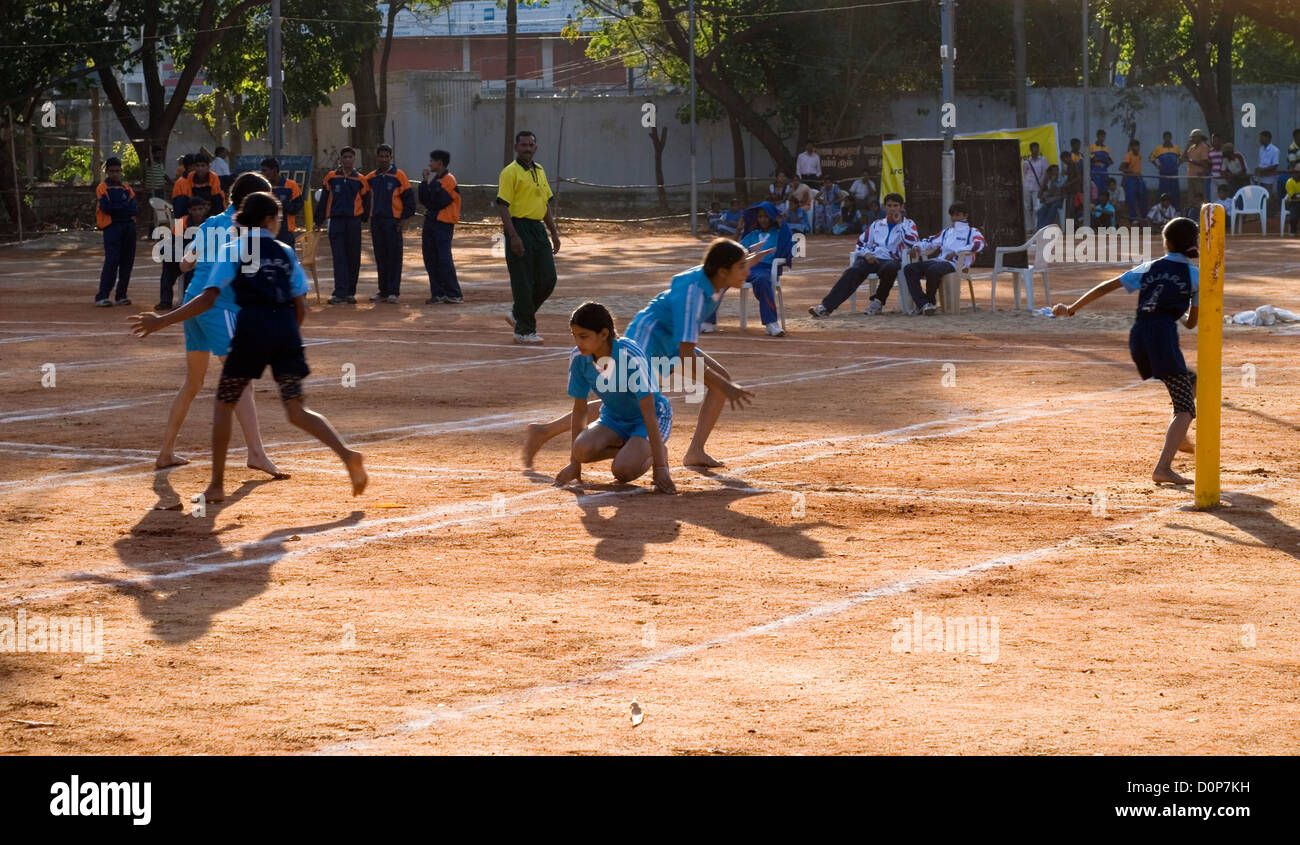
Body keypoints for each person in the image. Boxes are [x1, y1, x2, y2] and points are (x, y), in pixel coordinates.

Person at [132, 192, 367, 502]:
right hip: (285, 335)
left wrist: (161, 322)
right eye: (279, 219)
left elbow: (206, 298)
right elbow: (300, 305)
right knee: (297, 410)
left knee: (224, 404)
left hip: (251, 334)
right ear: (268, 221)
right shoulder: (285, 251)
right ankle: (347, 454)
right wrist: (287, 341)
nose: (280, 224)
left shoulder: (233, 249)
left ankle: (216, 485)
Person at [521, 238, 770, 470]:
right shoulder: (694, 294)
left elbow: (684, 347)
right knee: (627, 397)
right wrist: (728, 387)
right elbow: (685, 354)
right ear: (724, 271)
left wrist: (747, 258)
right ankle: (544, 431)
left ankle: (695, 451)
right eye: (741, 267)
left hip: (669, 341)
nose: (746, 271)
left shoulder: (715, 277)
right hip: (647, 339)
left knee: (715, 379)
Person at [128, 172, 283, 475]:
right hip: (217, 307)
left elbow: (185, 263)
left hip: (192, 302)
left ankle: (166, 453)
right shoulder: (246, 231)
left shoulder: (211, 224)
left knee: (193, 383)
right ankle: (256, 454)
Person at [1051, 217, 1200, 485]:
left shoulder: (1151, 266)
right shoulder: (1194, 275)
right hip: (1162, 337)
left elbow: (1108, 285)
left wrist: (1071, 308)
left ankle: (1180, 435)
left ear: (1166, 243)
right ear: (1194, 244)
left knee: (1190, 381)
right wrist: (1177, 306)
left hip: (1139, 336)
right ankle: (1163, 467)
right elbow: (1191, 323)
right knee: (1186, 409)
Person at [549, 302, 675, 494]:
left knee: (623, 471)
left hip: (652, 417)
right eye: (574, 336)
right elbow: (580, 409)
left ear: (604, 334)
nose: (577, 342)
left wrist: (660, 468)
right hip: (613, 419)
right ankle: (633, 449)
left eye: (583, 336)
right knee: (581, 449)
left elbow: (649, 410)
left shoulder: (629, 353)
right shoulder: (579, 358)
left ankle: (654, 452)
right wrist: (575, 464)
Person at [496, 130, 561, 344]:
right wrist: (513, 236)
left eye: (530, 145)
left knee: (548, 278)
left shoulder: (540, 170)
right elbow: (503, 205)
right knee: (522, 281)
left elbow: (545, 205)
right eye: (523, 145)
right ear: (516, 148)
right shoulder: (510, 172)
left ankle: (518, 314)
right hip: (519, 227)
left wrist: (553, 231)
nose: (527, 149)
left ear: (535, 148)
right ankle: (524, 331)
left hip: (538, 229)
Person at [810, 192, 917, 318]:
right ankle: (826, 307)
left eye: (895, 205)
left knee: (890, 268)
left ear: (901, 207)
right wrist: (866, 254)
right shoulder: (876, 224)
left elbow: (913, 243)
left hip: (892, 260)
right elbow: (861, 243)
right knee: (853, 271)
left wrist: (899, 225)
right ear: (884, 207)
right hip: (871, 258)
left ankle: (877, 302)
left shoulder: (908, 224)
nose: (892, 208)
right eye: (889, 205)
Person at [703, 201, 788, 337]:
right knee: (719, 278)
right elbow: (735, 250)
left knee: (762, 279)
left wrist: (781, 223)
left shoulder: (780, 234)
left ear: (772, 217)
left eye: (766, 216)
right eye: (760, 216)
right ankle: (708, 321)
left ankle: (771, 323)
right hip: (745, 266)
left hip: (764, 269)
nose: (763, 220)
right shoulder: (753, 235)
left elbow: (789, 248)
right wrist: (738, 230)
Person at [902, 201, 985, 316]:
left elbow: (979, 245)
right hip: (940, 261)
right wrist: (917, 247)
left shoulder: (972, 231)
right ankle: (924, 304)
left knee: (933, 270)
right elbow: (930, 241)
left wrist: (955, 252)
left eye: (958, 215)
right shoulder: (947, 232)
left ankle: (930, 302)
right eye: (952, 215)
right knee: (909, 269)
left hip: (956, 264)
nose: (955, 218)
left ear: (965, 216)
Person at [363, 144, 415, 304]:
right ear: (377, 157)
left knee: (394, 257)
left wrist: (403, 220)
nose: (384, 159)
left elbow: (409, 201)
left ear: (391, 158)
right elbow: (363, 199)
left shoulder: (399, 176)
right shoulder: (370, 178)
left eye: (387, 156)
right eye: (381, 156)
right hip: (377, 222)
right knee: (380, 257)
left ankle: (393, 291)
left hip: (393, 222)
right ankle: (383, 290)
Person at [318, 146, 369, 305]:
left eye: (350, 157)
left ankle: (350, 293)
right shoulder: (331, 177)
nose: (347, 160)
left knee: (353, 257)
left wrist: (363, 218)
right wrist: (318, 220)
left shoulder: (361, 179)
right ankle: (339, 292)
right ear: (341, 159)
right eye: (345, 157)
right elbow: (324, 200)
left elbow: (366, 200)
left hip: (353, 222)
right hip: (336, 221)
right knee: (339, 257)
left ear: (354, 160)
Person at [419, 148, 462, 304]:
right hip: (431, 221)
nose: (430, 163)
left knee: (444, 258)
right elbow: (424, 199)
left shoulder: (449, 179)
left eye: (432, 161)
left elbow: (439, 201)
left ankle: (453, 293)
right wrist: (425, 182)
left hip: (443, 223)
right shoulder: (435, 180)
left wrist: (431, 187)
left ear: (440, 163)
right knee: (430, 258)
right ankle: (438, 293)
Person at [94, 157, 139, 307]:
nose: (115, 174)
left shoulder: (127, 188)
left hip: (128, 227)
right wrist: (123, 210)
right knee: (111, 261)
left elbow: (135, 209)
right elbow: (106, 207)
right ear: (107, 172)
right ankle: (102, 295)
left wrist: (119, 209)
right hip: (112, 227)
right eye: (112, 171)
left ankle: (121, 295)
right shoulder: (102, 188)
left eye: (118, 171)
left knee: (127, 262)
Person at [155, 194, 209, 311]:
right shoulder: (182, 222)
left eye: (200, 209)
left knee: (190, 268)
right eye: (194, 209)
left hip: (202, 259)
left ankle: (187, 300)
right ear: (189, 210)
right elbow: (173, 241)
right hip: (184, 257)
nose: (198, 212)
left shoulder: (210, 223)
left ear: (205, 209)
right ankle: (165, 300)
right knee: (168, 264)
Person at [260, 158, 303, 248]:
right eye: (261, 171)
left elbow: (298, 205)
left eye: (265, 170)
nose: (262, 174)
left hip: (285, 232)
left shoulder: (291, 185)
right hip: (265, 231)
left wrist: (281, 205)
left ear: (274, 170)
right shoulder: (261, 186)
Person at [172, 152, 224, 219]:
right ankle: (179, 227)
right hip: (194, 206)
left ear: (208, 167)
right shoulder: (187, 179)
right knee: (181, 199)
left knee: (219, 196)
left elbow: (216, 198)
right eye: (197, 166)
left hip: (209, 205)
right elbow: (188, 198)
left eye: (203, 165)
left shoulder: (213, 177)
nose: (200, 168)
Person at [1149, 131, 1182, 210]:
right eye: (1165, 137)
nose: (1167, 139)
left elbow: (1182, 157)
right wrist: (1157, 165)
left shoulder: (1176, 148)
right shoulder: (1158, 148)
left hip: (1174, 174)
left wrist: (1178, 165)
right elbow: (1151, 158)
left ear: (1171, 138)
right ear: (1163, 138)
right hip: (1163, 174)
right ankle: (1161, 208)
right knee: (1163, 191)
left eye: (1168, 137)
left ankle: (1176, 209)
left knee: (1175, 192)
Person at [1021, 142, 1049, 231]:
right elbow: (1025, 174)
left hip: (1038, 187)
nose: (1036, 150)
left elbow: (1046, 173)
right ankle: (1029, 227)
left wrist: (1043, 186)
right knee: (1026, 207)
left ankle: (1037, 227)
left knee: (1037, 207)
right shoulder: (1026, 162)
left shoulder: (1043, 160)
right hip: (1027, 186)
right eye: (1034, 148)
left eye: (1037, 148)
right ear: (1030, 150)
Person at [1120, 139, 1148, 221]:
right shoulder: (1128, 156)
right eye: (1134, 146)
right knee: (1131, 200)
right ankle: (1133, 218)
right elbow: (1121, 168)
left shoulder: (1139, 155)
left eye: (1137, 146)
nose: (1136, 147)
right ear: (1131, 147)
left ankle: (1144, 217)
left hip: (1139, 178)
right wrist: (1131, 172)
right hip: (1131, 179)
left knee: (1143, 198)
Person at [1182, 130, 1210, 211]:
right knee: (1191, 199)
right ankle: (1192, 216)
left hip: (1199, 177)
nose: (1192, 139)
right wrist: (1187, 146)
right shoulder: (1191, 148)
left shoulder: (1204, 147)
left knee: (1201, 197)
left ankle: (1203, 214)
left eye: (1193, 137)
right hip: (1190, 176)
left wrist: (1190, 160)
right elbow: (1183, 158)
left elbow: (1204, 163)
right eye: (1191, 137)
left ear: (1199, 137)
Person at [1254, 130, 1281, 209]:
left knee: (1267, 196)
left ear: (1268, 138)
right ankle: (1261, 213)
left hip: (1269, 177)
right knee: (1259, 195)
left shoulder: (1275, 150)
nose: (1260, 140)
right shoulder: (1261, 149)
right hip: (1260, 176)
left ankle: (1269, 214)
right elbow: (1261, 162)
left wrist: (1263, 169)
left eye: (1262, 138)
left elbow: (1275, 165)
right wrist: (1258, 170)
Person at [1036, 164, 1066, 230]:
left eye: (1056, 170)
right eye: (1053, 171)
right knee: (1041, 211)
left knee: (1053, 208)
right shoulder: (1048, 181)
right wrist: (1044, 182)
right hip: (1049, 201)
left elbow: (1055, 192)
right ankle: (1039, 228)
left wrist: (1053, 182)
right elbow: (1039, 195)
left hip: (1059, 201)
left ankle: (1044, 227)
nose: (1055, 172)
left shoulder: (1061, 179)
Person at [1089, 130, 1112, 198]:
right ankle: (1096, 206)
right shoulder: (1092, 147)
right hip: (1095, 170)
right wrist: (1099, 160)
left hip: (1104, 170)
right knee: (1095, 189)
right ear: (1097, 136)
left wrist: (1103, 162)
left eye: (1104, 137)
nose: (1102, 138)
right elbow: (1090, 157)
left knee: (1104, 188)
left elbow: (1111, 161)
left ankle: (1103, 206)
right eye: (1101, 136)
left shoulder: (1106, 148)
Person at [1285, 164, 1300, 236]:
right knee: (1294, 216)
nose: (1296, 174)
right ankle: (1293, 229)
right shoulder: (1290, 182)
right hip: (1293, 202)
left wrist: (1298, 195)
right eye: (1296, 172)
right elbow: (1293, 196)